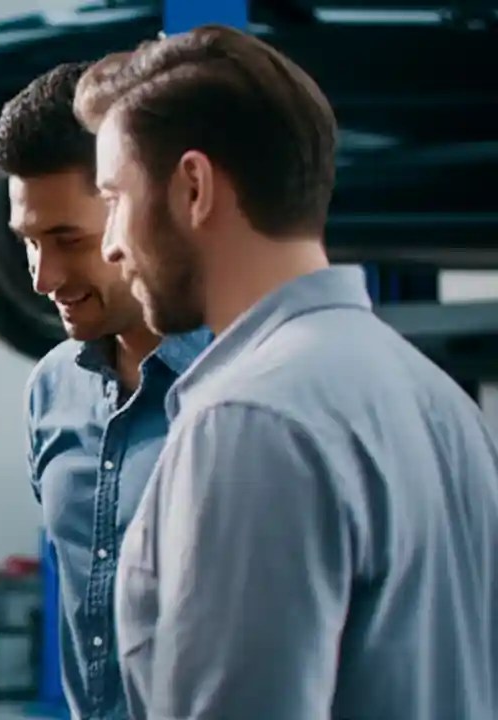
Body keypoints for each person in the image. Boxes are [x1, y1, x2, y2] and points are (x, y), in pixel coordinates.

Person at [73, 24, 498, 720]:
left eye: (114, 198)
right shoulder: (443, 404)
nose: (112, 246)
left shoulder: (249, 423)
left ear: (194, 187)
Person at [0, 63, 210, 720]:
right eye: (27, 241)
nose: (41, 277)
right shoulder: (51, 389)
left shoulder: (248, 387)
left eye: (67, 240)